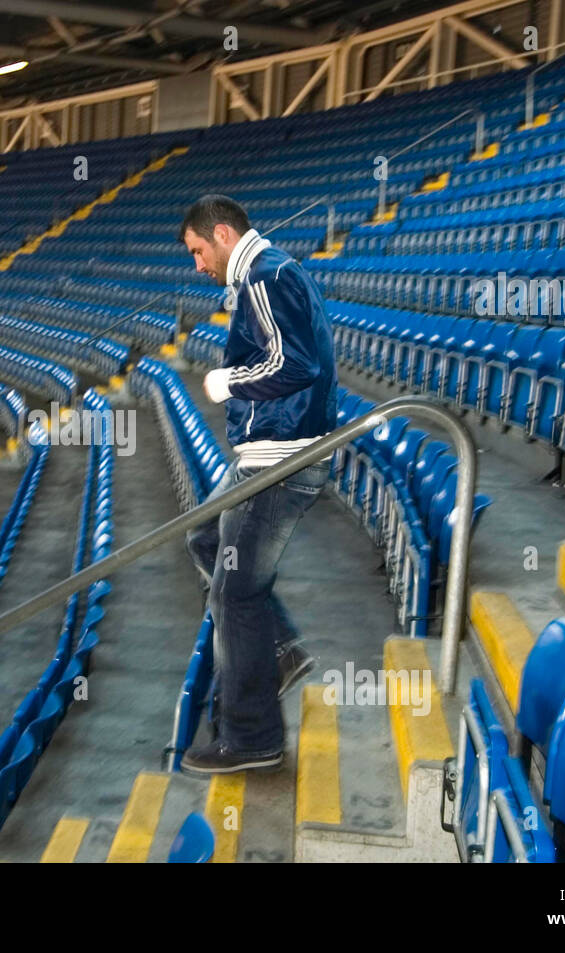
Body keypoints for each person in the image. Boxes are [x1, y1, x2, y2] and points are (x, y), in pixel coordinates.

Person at [179, 194, 338, 777]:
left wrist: (227, 382)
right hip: (269, 452)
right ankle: (279, 649)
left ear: (222, 234)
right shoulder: (265, 275)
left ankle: (251, 735)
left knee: (233, 593)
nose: (197, 265)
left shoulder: (266, 275)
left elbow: (296, 365)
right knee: (202, 536)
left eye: (199, 251)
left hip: (279, 459)